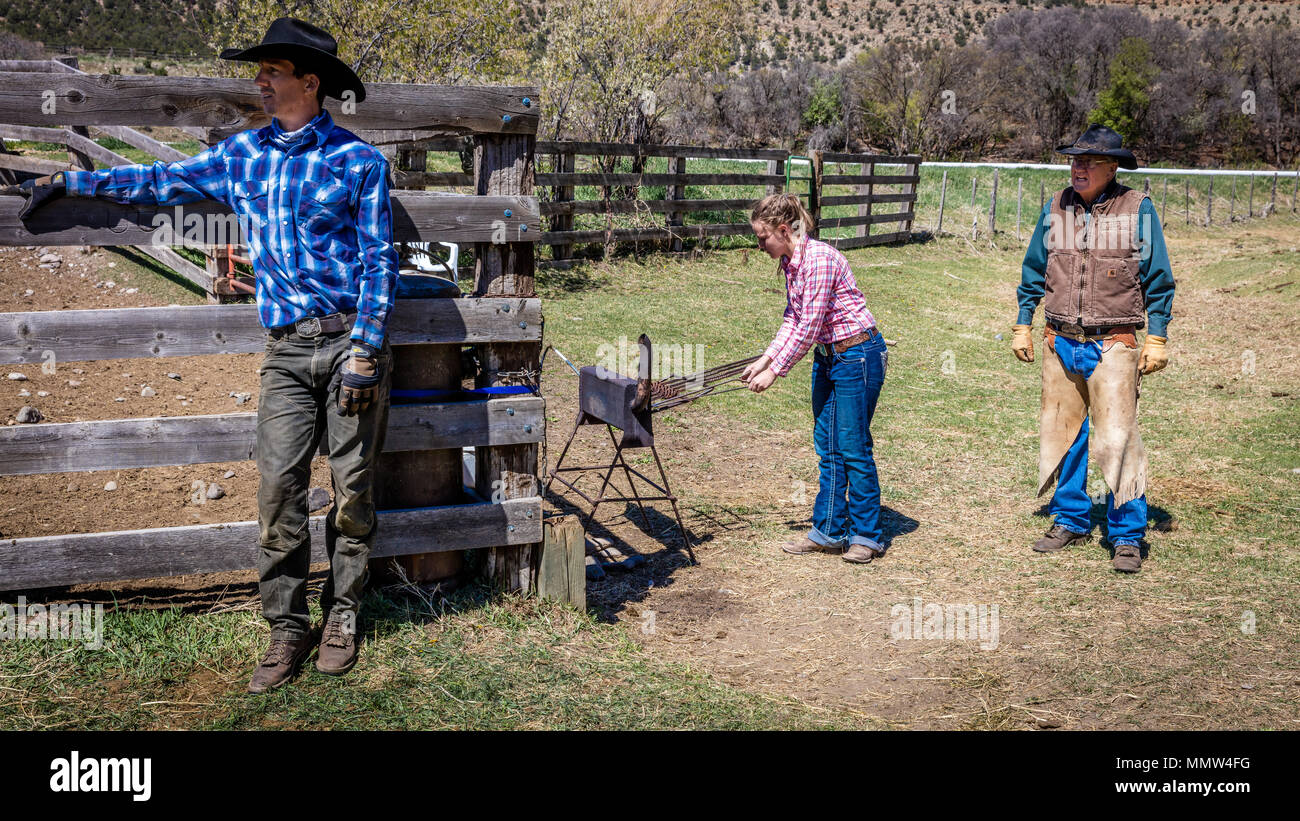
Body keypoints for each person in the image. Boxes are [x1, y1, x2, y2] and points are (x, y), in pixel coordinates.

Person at [13, 18, 399, 687]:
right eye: (262, 72)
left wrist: (365, 347)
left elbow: (379, 262)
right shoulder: (245, 155)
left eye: (272, 72)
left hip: (347, 346)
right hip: (285, 349)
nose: (260, 82)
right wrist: (73, 183)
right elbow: (161, 181)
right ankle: (287, 625)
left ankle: (343, 612)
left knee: (353, 489)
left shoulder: (359, 162)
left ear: (310, 84)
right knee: (279, 488)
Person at [1012, 123, 1175, 573]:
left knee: (1119, 440)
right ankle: (1070, 519)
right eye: (1074, 160)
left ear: (1112, 167)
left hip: (1114, 343)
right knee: (1065, 437)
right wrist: (1023, 324)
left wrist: (1157, 336)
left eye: (1088, 162)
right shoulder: (1057, 208)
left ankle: (1126, 535)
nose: (1077, 168)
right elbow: (1034, 270)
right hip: (1060, 339)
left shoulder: (1137, 209)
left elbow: (1158, 278)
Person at [743, 193, 889, 564]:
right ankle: (828, 530)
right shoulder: (792, 263)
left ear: (781, 230)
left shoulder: (820, 259)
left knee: (853, 446)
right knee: (827, 444)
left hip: (857, 355)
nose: (759, 245)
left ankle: (867, 536)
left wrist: (775, 372)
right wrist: (764, 359)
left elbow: (808, 326)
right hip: (828, 358)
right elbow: (793, 319)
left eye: (762, 237)